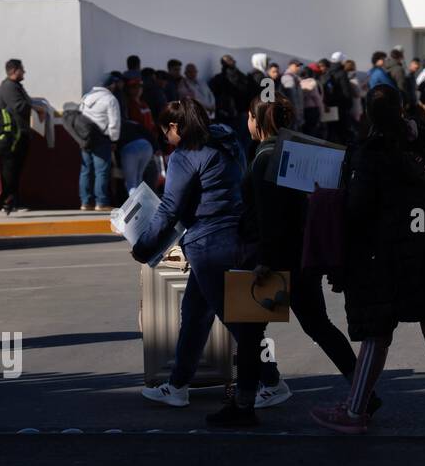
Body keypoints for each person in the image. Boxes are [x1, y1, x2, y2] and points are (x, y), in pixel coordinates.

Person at [311, 85, 425, 436]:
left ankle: (356, 411)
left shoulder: (368, 153)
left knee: (376, 332)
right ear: (404, 109)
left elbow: (356, 209)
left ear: (368, 114)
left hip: (383, 257)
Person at [134, 100, 263, 426]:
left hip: (208, 244)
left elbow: (170, 208)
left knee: (238, 322)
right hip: (237, 235)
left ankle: (272, 380)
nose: (166, 139)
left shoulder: (185, 155)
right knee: (194, 313)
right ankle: (178, 385)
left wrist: (142, 246)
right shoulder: (226, 138)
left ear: (176, 128)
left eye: (166, 132)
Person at [240, 95, 365, 409]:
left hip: (275, 259)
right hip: (302, 253)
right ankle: (364, 392)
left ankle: (242, 405)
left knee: (249, 330)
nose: (247, 123)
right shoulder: (293, 152)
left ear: (258, 121)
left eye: (249, 117)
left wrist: (265, 261)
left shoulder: (264, 157)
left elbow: (269, 217)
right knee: (318, 325)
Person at [0, 59, 33, 214]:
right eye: (22, 69)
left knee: (15, 170)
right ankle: (10, 202)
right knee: (11, 170)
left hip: (17, 135)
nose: (24, 72)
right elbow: (19, 106)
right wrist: (35, 106)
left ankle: (12, 202)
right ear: (15, 71)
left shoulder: (15, 86)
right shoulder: (9, 87)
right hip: (12, 136)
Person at [78, 74, 122, 211]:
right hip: (102, 139)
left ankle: (85, 202)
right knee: (101, 172)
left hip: (85, 138)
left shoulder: (86, 96)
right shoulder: (110, 99)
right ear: (111, 85)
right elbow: (114, 123)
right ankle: (101, 202)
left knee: (85, 171)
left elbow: (80, 115)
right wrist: (114, 139)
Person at [118, 72, 156, 194]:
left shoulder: (143, 104)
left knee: (136, 181)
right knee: (136, 181)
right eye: (134, 87)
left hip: (146, 144)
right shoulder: (130, 105)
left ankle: (137, 210)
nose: (137, 90)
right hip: (142, 143)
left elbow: (150, 125)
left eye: (139, 87)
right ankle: (139, 209)